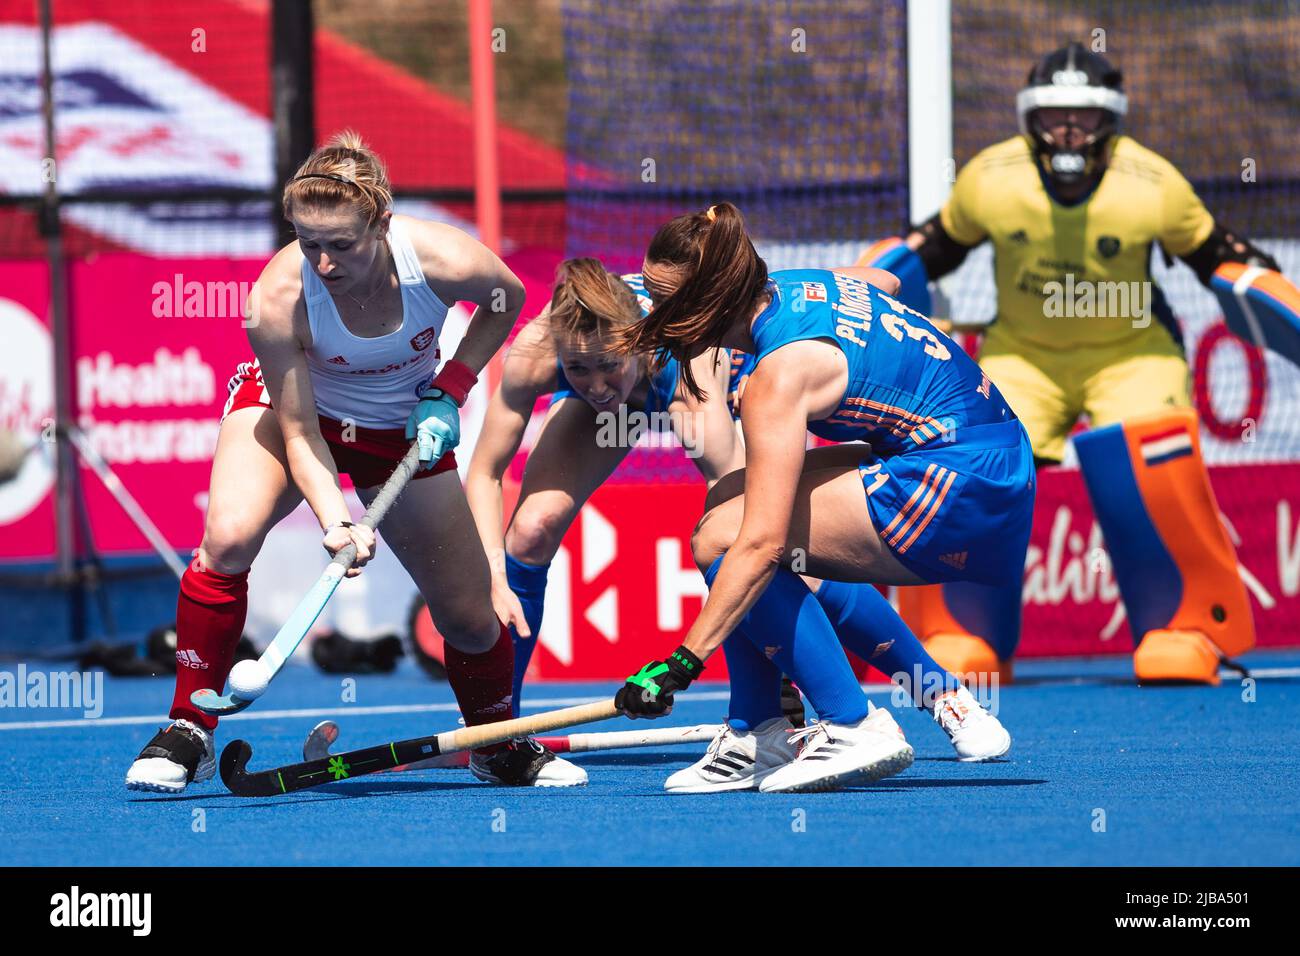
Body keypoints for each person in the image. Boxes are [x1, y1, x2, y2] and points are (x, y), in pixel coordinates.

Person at [125, 131, 586, 792]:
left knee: (467, 616)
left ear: (382, 223)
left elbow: (505, 300)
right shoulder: (277, 298)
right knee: (226, 537)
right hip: (297, 411)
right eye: (307, 242)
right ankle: (189, 727)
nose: (324, 262)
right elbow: (299, 429)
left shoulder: (443, 258)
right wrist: (333, 520)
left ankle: (494, 742)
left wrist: (452, 385)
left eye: (341, 244)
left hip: (398, 425)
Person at [861, 42, 1278, 684]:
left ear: (1112, 119)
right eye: (1054, 113)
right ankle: (959, 632)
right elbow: (932, 250)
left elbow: (1217, 257)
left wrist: (1264, 286)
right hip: (1024, 360)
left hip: (1133, 355)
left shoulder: (1155, 185)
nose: (1069, 128)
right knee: (963, 460)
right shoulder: (990, 178)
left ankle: (1189, 628)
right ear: (1030, 116)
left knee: (1154, 462)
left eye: (1085, 114)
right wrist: (870, 281)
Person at [612, 203, 1033, 793]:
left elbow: (760, 544)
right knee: (735, 505)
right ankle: (762, 729)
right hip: (994, 456)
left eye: (667, 302)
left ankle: (851, 724)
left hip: (961, 488)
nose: (658, 317)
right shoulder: (793, 287)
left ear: (711, 302)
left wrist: (681, 663)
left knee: (728, 536)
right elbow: (883, 282)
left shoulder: (777, 378)